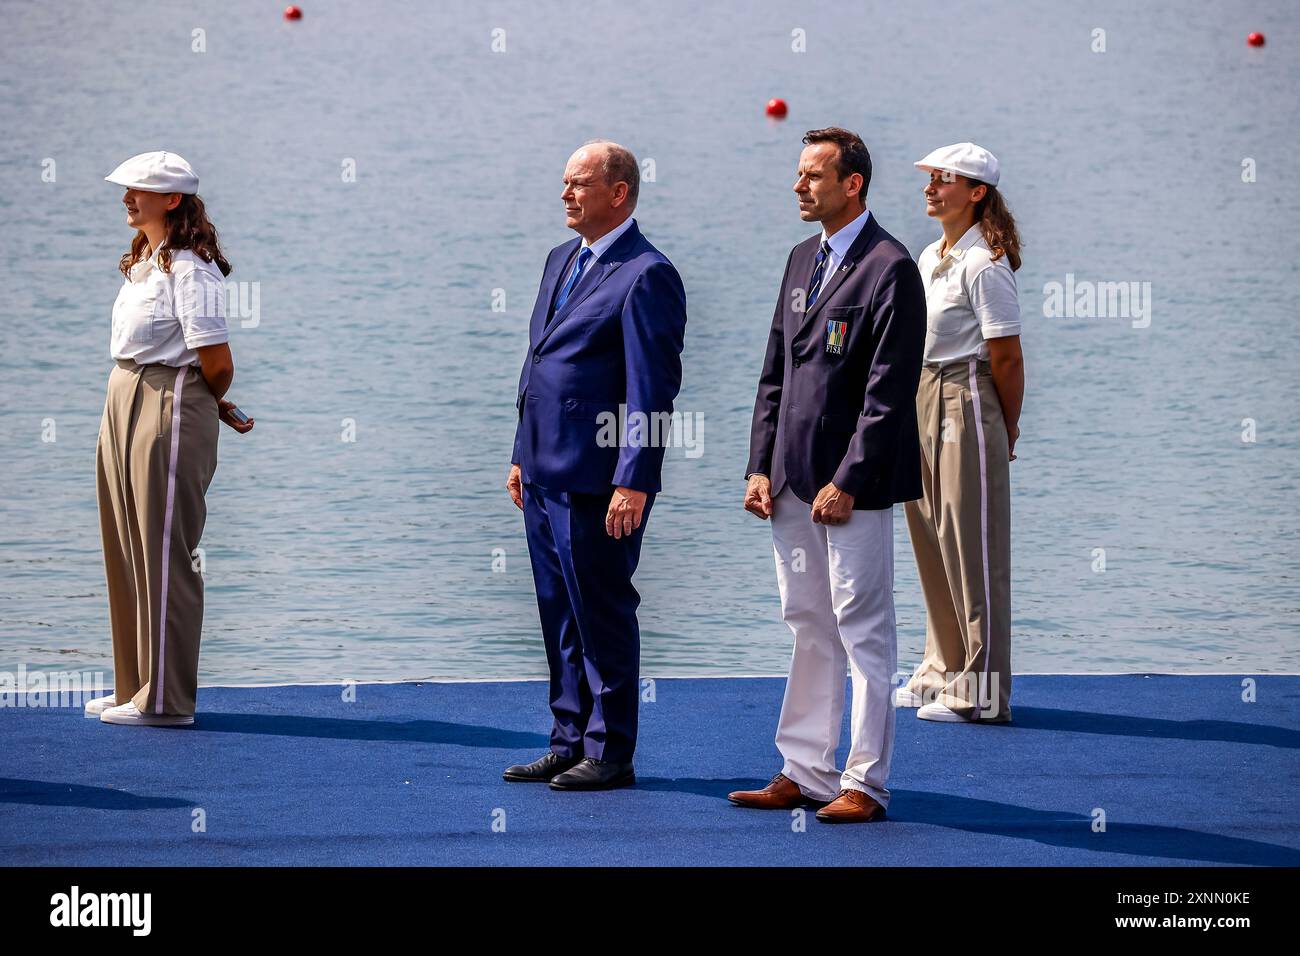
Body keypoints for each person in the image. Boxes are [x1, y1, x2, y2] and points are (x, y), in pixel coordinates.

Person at [730, 128, 926, 823]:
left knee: (863, 629)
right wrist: (760, 465)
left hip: (854, 489)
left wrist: (848, 478)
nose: (799, 185)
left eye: (814, 174)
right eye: (798, 172)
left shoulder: (889, 267)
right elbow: (774, 374)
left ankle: (865, 783)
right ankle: (806, 769)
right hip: (789, 482)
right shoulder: (797, 260)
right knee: (807, 622)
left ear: (854, 184)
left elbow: (889, 390)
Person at [503, 141, 687, 791]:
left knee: (601, 610)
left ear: (619, 193)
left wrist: (634, 479)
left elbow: (652, 389)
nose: (565, 194)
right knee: (558, 613)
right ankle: (568, 738)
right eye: (564, 183)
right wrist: (521, 455)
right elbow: (539, 364)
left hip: (602, 478)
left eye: (579, 184)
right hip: (545, 470)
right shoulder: (562, 260)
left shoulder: (647, 274)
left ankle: (610, 749)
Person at [84, 150, 253, 727]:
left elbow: (217, 361)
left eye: (139, 190)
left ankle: (166, 701)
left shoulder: (191, 269)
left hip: (170, 401)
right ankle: (134, 685)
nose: (127, 198)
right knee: (126, 542)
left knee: (164, 552)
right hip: (125, 393)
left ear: (172, 199)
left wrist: (207, 400)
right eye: (125, 189)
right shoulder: (144, 262)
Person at [895, 142, 1024, 723]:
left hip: (967, 395)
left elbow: (1007, 359)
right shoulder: (930, 256)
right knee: (930, 535)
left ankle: (983, 691)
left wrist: (1006, 427)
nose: (931, 188)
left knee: (972, 544)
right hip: (922, 392)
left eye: (945, 180)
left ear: (976, 193)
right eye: (930, 179)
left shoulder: (985, 263)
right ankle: (942, 668)